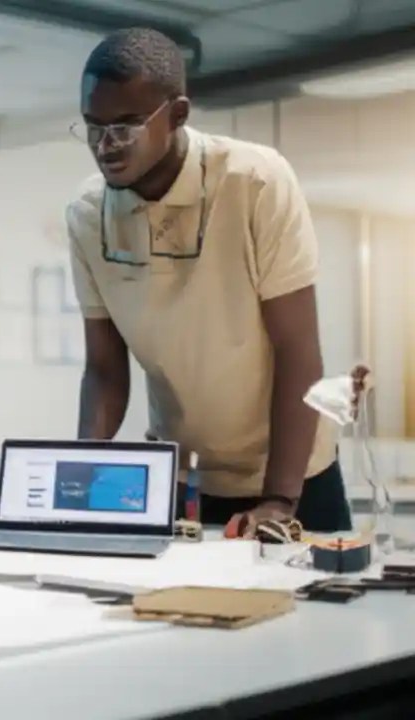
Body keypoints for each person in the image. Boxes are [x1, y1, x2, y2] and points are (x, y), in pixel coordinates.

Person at [66, 28, 348, 535]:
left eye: (126, 127)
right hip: (184, 479)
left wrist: (280, 500)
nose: (105, 146)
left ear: (177, 115)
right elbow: (106, 370)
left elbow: (298, 350)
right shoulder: (88, 214)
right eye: (93, 128)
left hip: (293, 476)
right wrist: (79, 481)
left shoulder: (256, 181)